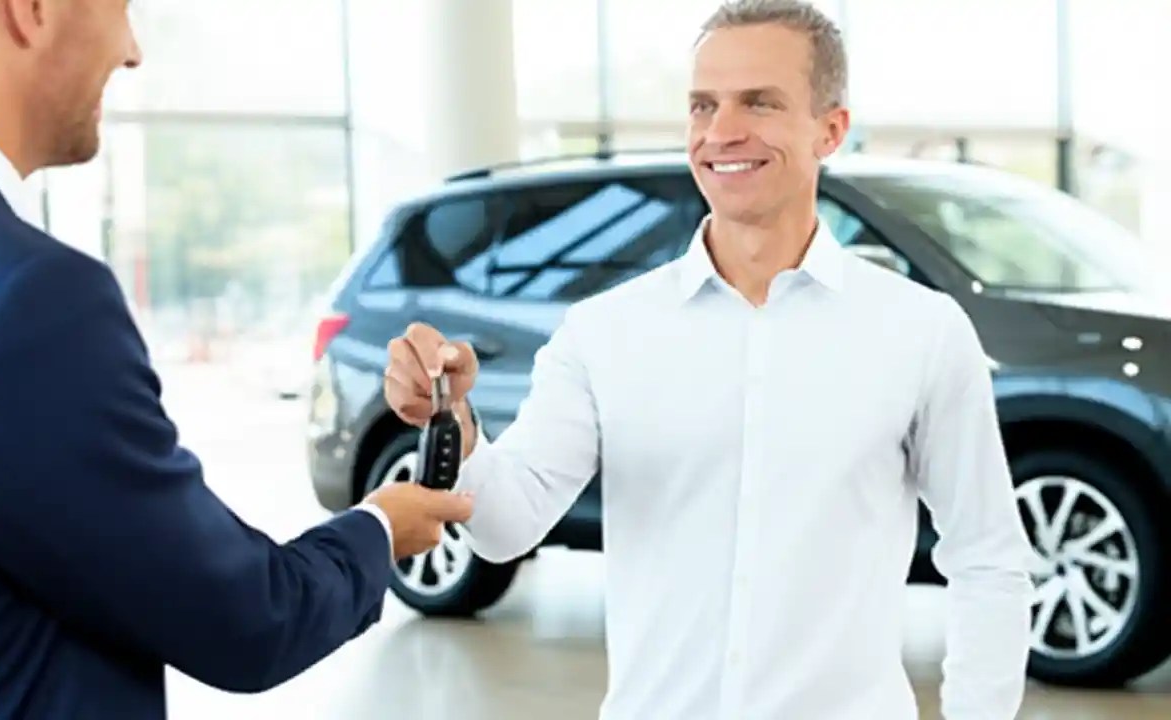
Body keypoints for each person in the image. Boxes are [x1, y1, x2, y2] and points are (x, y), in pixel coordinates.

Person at [385, 1, 1036, 718]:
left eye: (759, 102)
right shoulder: (605, 332)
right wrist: (454, 422)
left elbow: (988, 561)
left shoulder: (921, 332)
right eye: (703, 105)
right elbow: (508, 525)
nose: (721, 132)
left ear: (830, 129)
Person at [0, 1, 472, 718]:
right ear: (32, 9)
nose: (131, 50)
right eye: (121, 7)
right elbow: (247, 619)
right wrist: (379, 530)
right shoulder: (29, 300)